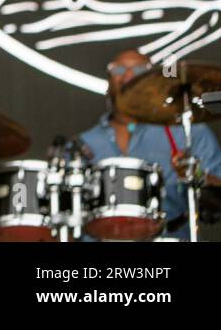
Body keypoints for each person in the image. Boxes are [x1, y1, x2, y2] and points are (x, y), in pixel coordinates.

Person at [79, 49, 221, 239]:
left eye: (139, 70)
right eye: (119, 70)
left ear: (153, 80)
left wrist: (196, 174)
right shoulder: (83, 144)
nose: (128, 75)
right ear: (109, 79)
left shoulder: (189, 132)